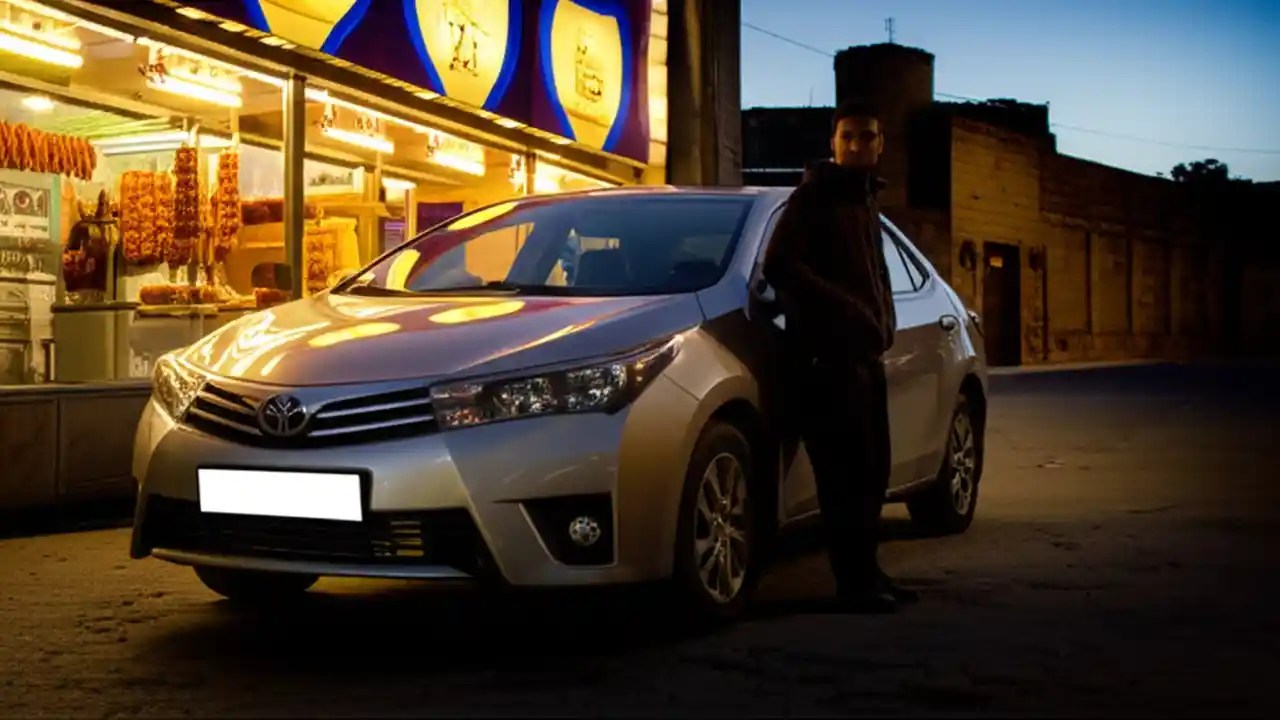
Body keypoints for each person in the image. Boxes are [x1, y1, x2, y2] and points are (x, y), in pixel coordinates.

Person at [762, 99, 918, 613]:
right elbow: (781, 265)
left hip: (865, 360)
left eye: (867, 137)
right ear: (832, 143)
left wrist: (884, 322)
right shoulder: (814, 198)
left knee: (874, 472)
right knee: (844, 479)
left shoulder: (865, 201)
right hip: (826, 364)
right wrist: (849, 312)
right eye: (847, 136)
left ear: (881, 144)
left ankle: (869, 572)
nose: (857, 145)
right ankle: (852, 585)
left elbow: (875, 275)